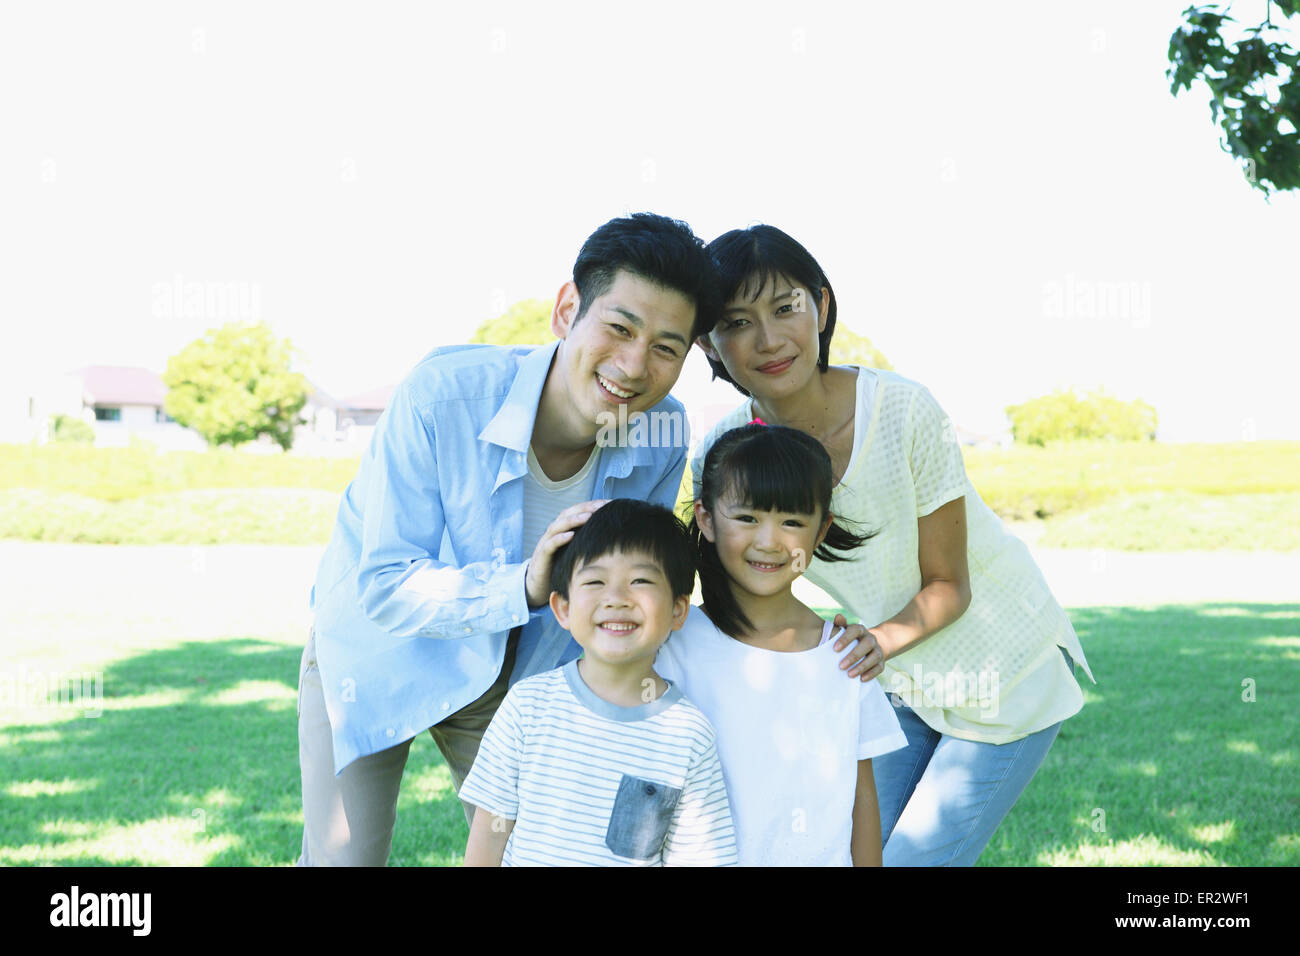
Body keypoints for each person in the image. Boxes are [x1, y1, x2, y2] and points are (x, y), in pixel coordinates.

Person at [296, 212, 719, 866]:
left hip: (519, 672)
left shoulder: (664, 431)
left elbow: (633, 590)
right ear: (566, 308)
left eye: (667, 347)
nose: (634, 366)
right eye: (619, 327)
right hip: (375, 653)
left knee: (544, 853)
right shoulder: (443, 394)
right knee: (342, 861)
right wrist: (525, 581)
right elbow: (383, 585)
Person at [689, 224, 1097, 867]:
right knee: (843, 851)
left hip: (1005, 669)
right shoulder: (724, 452)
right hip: (898, 682)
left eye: (784, 308)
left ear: (820, 306)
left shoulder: (906, 411)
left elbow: (949, 586)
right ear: (708, 343)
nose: (767, 339)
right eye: (736, 322)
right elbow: (717, 593)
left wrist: (872, 641)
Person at [656, 423, 907, 866]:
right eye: (748, 517)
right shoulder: (670, 644)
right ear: (706, 518)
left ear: (821, 530)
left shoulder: (846, 656)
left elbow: (862, 801)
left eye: (792, 521)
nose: (769, 541)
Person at [459, 498, 738, 866]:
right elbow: (489, 836)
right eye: (595, 580)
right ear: (563, 608)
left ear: (677, 610)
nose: (616, 598)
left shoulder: (688, 733)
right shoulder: (527, 707)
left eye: (640, 580)